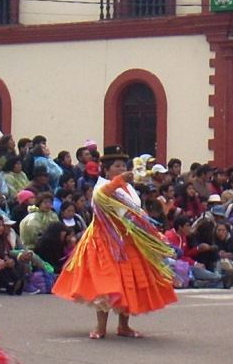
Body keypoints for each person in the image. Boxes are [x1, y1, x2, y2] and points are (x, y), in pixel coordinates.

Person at [53, 144, 177, 338]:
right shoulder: (102, 186)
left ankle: (124, 326)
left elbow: (136, 212)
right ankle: (101, 326)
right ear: (107, 169)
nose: (121, 169)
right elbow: (100, 200)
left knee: (128, 282)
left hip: (128, 240)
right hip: (104, 240)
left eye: (122, 166)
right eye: (117, 166)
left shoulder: (129, 189)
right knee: (106, 283)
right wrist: (119, 181)